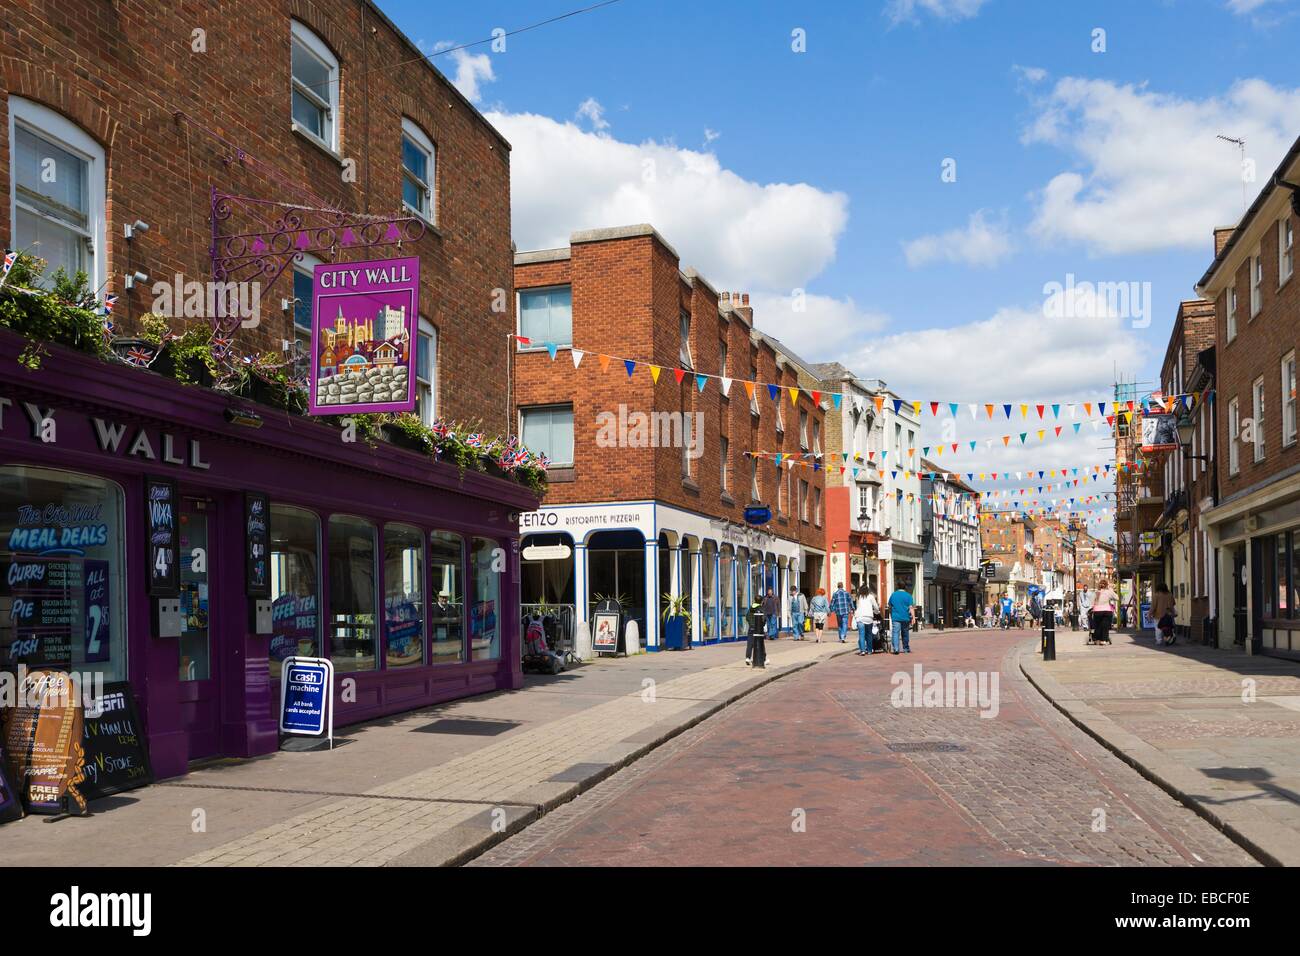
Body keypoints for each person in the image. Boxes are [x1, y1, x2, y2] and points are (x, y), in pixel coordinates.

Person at [1090, 578, 1119, 645]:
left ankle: (1097, 639)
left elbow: (1092, 602)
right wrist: (1111, 589)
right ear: (1106, 585)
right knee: (1105, 626)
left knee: (1098, 626)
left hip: (1097, 611)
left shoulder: (1096, 592)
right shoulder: (1109, 591)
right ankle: (1104, 640)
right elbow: (1117, 598)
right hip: (1107, 611)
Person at [888, 582, 914, 653]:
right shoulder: (908, 596)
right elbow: (911, 607)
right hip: (905, 617)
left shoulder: (893, 595)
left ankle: (896, 648)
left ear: (897, 586)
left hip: (895, 617)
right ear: (905, 587)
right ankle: (905, 648)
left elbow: (889, 606)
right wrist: (913, 617)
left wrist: (891, 614)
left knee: (895, 632)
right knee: (905, 633)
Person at [854, 586, 879, 656]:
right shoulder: (871, 596)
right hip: (868, 617)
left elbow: (857, 606)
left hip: (860, 617)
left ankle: (862, 651)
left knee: (861, 634)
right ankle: (869, 650)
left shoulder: (858, 597)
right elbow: (876, 606)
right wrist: (877, 612)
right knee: (869, 634)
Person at [745, 597, 767, 668]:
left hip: (751, 628)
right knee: (760, 643)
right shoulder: (761, 608)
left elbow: (747, 617)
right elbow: (764, 618)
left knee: (750, 643)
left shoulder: (751, 608)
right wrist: (762, 625)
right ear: (761, 601)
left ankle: (748, 657)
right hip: (758, 629)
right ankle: (763, 658)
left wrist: (751, 623)